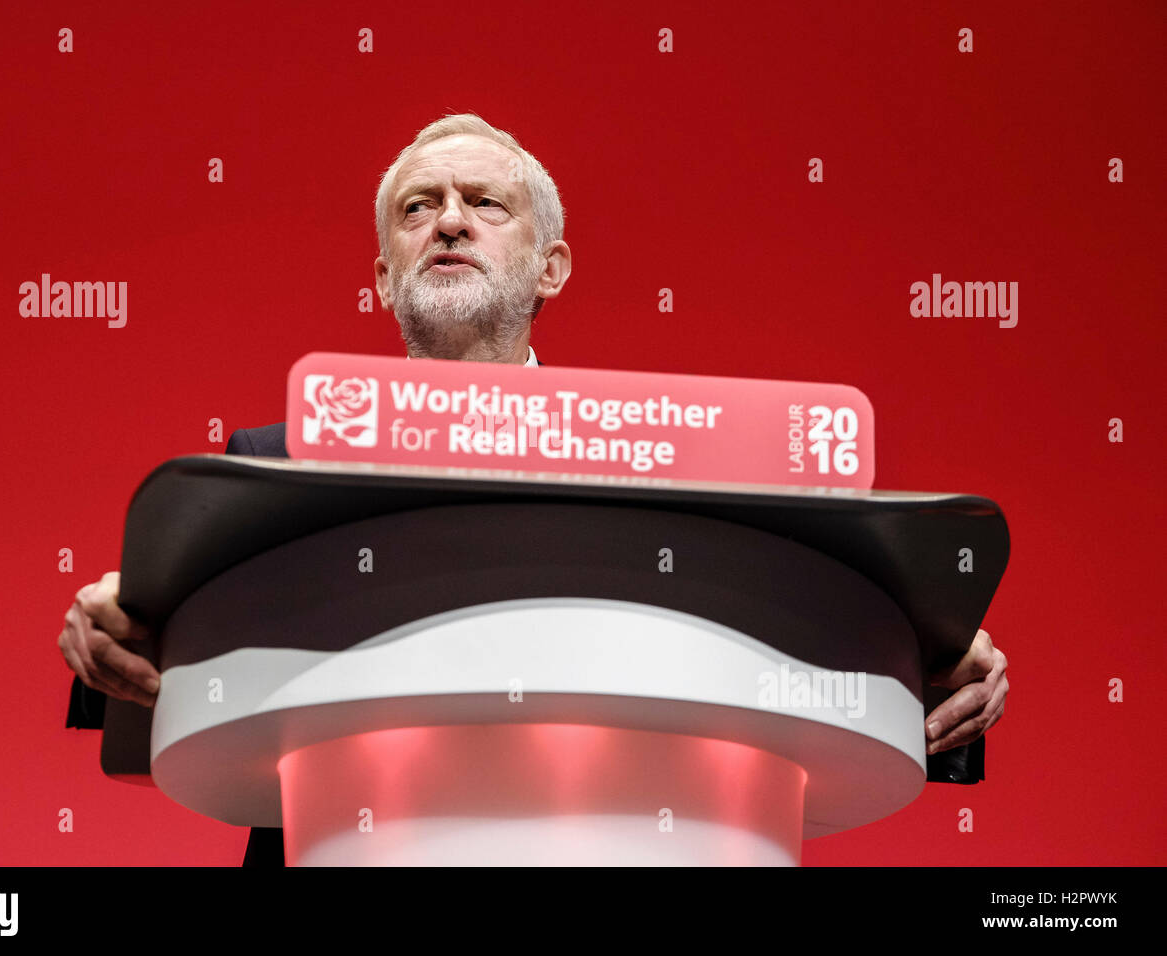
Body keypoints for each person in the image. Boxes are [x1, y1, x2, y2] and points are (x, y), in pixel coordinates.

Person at [58, 113, 1009, 865]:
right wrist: (124, 613)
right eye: (418, 208)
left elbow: (798, 615)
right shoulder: (270, 459)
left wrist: (929, 644)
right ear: (383, 275)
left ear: (551, 267)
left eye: (484, 202)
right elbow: (161, 659)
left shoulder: (677, 462)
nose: (451, 221)